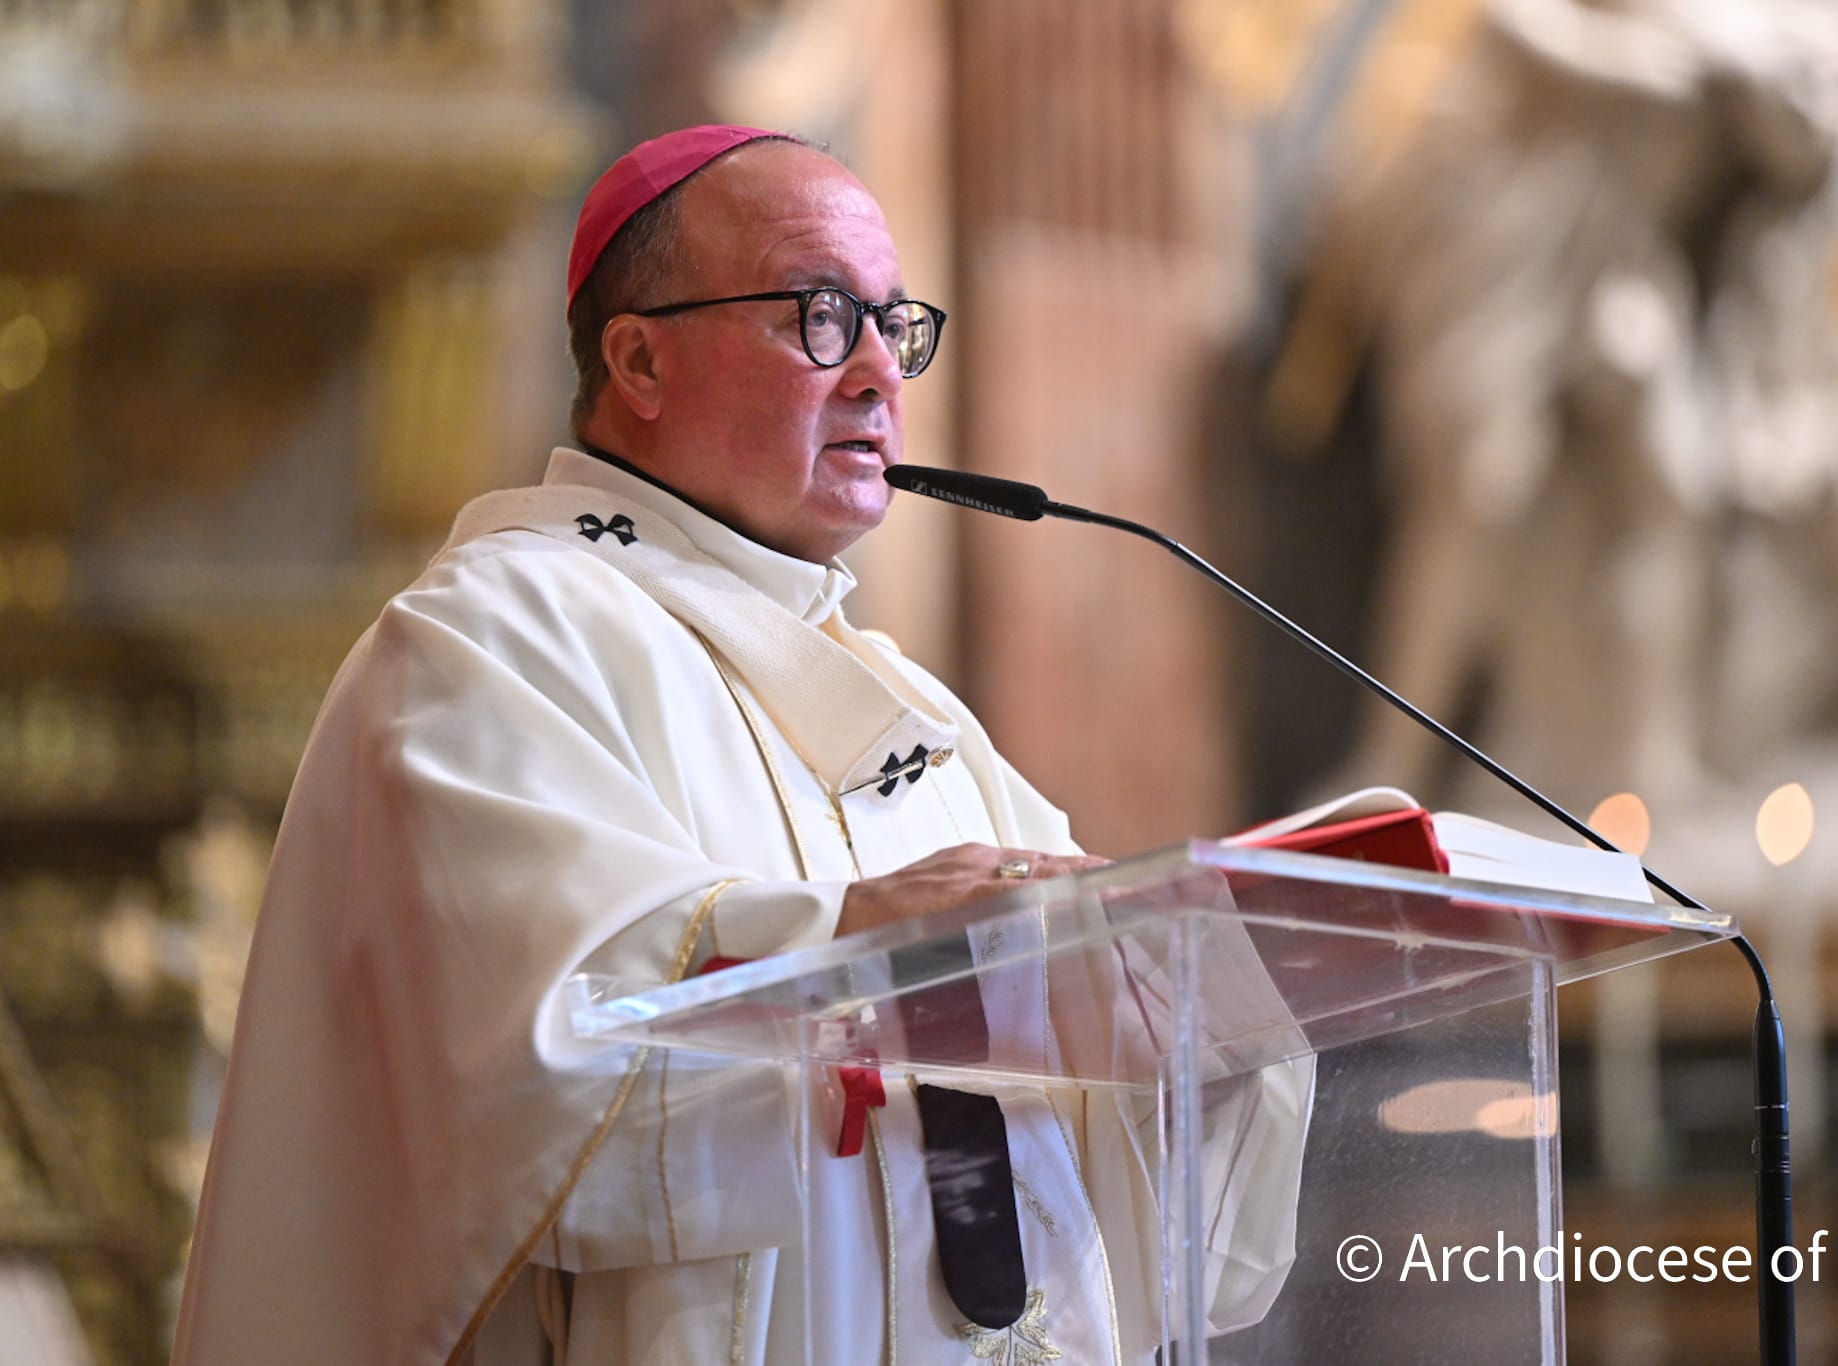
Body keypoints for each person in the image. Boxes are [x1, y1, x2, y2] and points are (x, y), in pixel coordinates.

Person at [172, 126, 1305, 1365]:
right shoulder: (492, 638)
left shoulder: (915, 723)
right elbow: (531, 1070)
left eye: (892, 322)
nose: (879, 372)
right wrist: (850, 949)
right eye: (819, 315)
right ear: (639, 358)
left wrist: (1219, 1007)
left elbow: (1168, 1203)